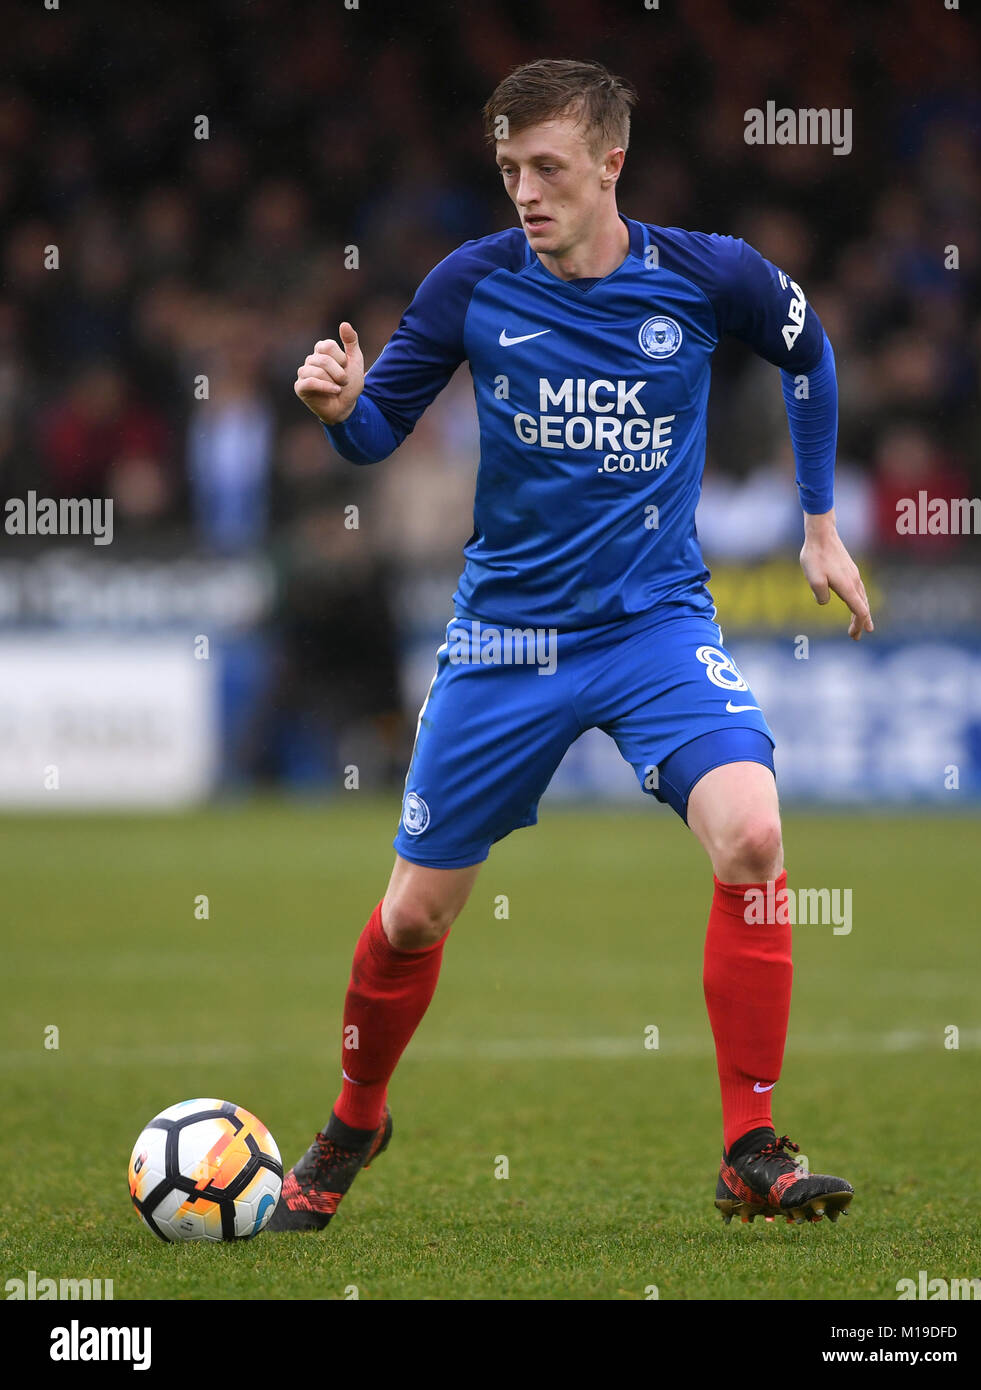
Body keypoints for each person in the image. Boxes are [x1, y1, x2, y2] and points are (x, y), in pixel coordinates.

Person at [268, 58, 872, 1234]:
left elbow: (810, 356)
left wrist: (817, 525)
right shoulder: (472, 283)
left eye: (545, 169)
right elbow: (379, 427)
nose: (524, 194)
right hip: (505, 639)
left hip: (654, 626)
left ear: (610, 164)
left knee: (751, 832)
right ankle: (354, 1118)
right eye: (506, 172)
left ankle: (748, 1145)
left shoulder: (706, 275)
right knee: (411, 920)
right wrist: (341, 408)